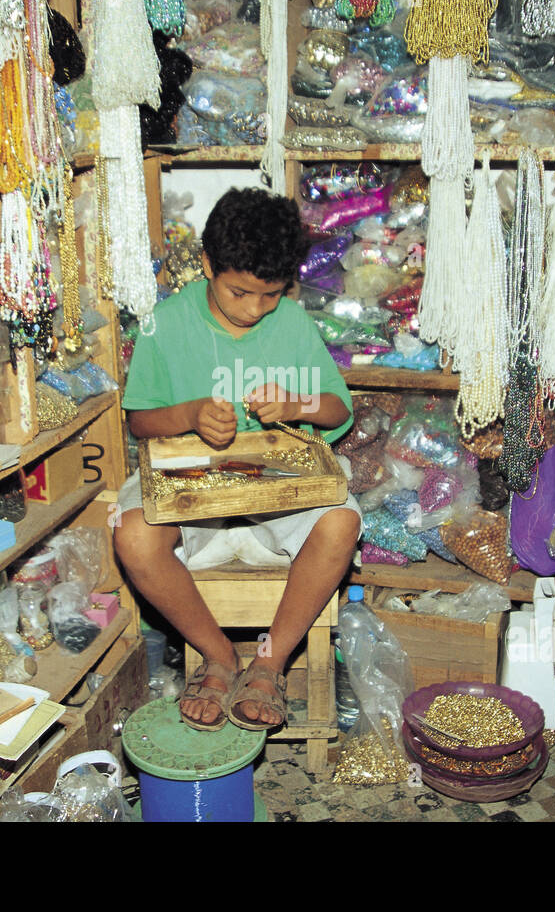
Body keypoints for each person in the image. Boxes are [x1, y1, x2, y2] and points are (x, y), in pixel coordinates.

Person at [114, 187, 363, 732]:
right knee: (134, 536)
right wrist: (190, 414)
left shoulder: (292, 324)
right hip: (191, 483)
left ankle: (269, 664)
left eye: (270, 295)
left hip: (279, 484)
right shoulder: (165, 324)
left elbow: (338, 408)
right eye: (240, 292)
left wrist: (296, 404)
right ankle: (220, 656)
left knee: (342, 520)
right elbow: (139, 422)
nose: (255, 308)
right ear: (206, 265)